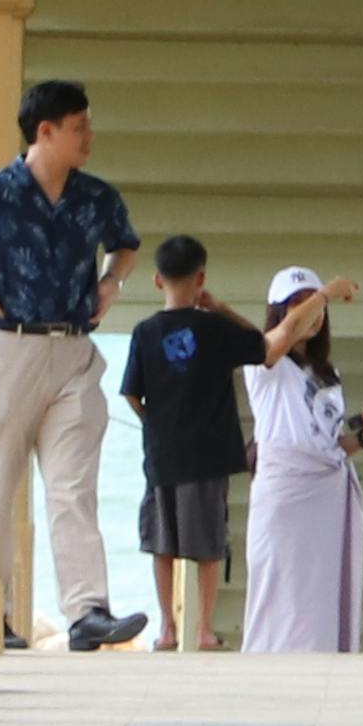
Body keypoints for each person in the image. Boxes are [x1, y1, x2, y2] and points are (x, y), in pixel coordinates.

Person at [0, 77, 147, 653]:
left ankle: (88, 611)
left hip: (73, 351)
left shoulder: (97, 198)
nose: (89, 135)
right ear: (45, 132)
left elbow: (127, 244)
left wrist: (112, 282)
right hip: (6, 347)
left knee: (73, 487)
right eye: (79, 126)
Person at [114, 236, 272, 653]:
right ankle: (203, 628)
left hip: (164, 452)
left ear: (156, 280)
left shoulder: (145, 332)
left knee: (162, 544)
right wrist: (220, 307)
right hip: (209, 452)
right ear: (201, 277)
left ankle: (167, 628)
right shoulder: (216, 329)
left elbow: (131, 393)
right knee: (208, 545)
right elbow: (261, 345)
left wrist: (154, 423)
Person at [238, 265, 363, 653]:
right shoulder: (263, 361)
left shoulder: (328, 374)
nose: (311, 314)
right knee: (279, 583)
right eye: (297, 305)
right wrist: (326, 293)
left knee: (320, 591)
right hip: (286, 489)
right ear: (279, 311)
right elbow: (281, 338)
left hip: (327, 491)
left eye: (315, 306)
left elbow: (333, 442)